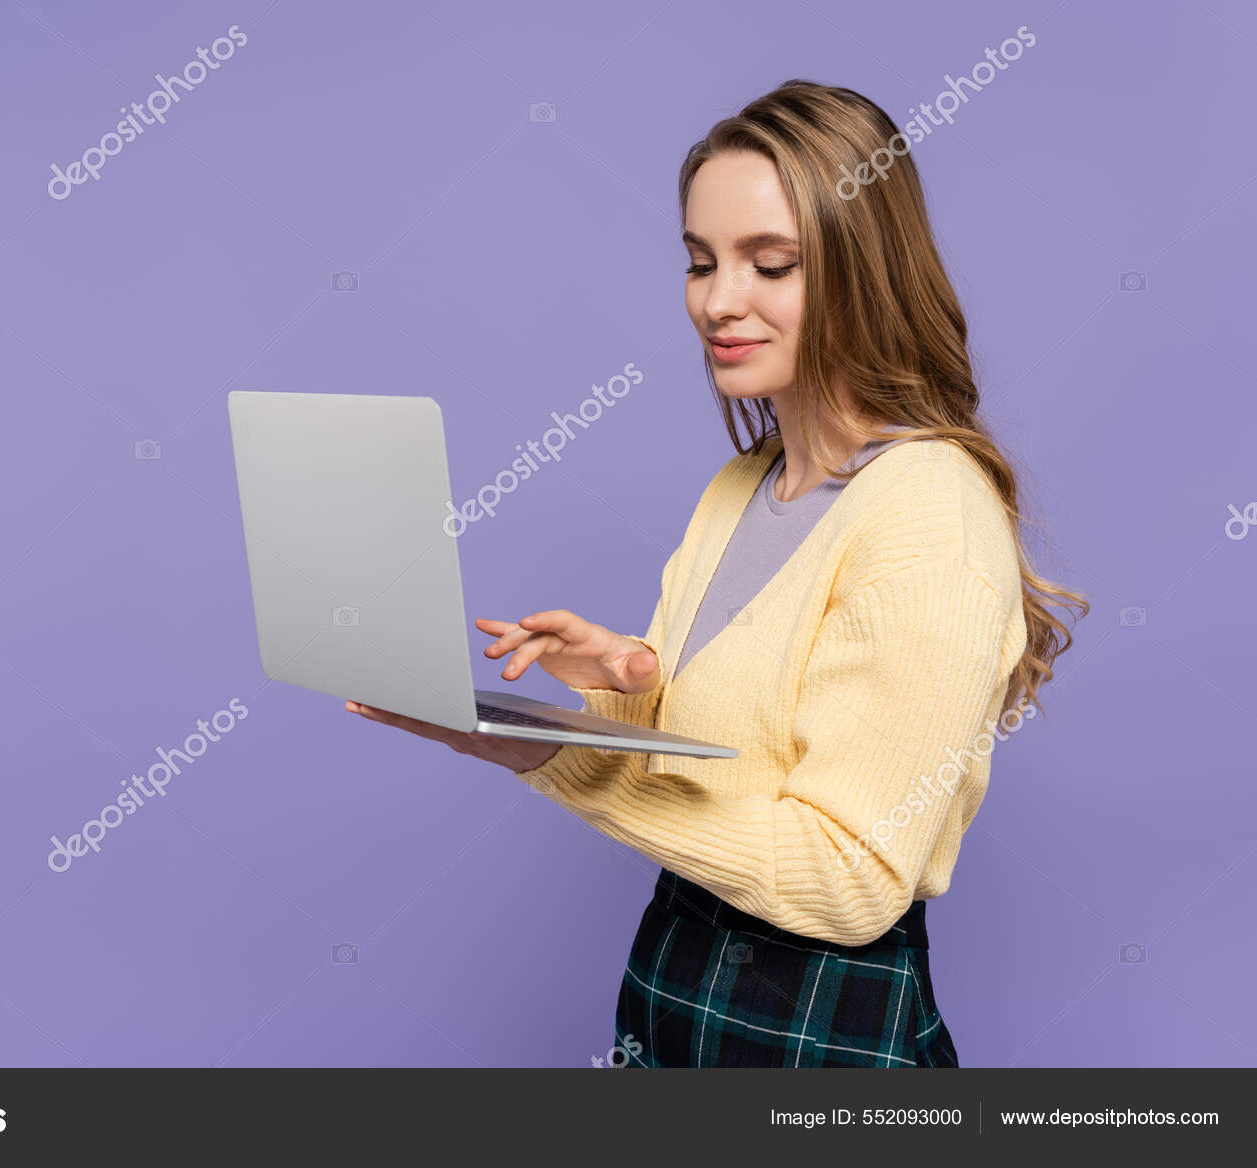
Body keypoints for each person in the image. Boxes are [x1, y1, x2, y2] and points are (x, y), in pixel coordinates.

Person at [345, 79, 1087, 1068]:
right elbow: (711, 770)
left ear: (864, 273)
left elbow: (848, 878)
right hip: (677, 985)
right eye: (700, 262)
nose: (717, 301)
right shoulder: (743, 487)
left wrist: (547, 762)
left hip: (817, 1024)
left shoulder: (929, 515)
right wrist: (624, 687)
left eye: (768, 264)